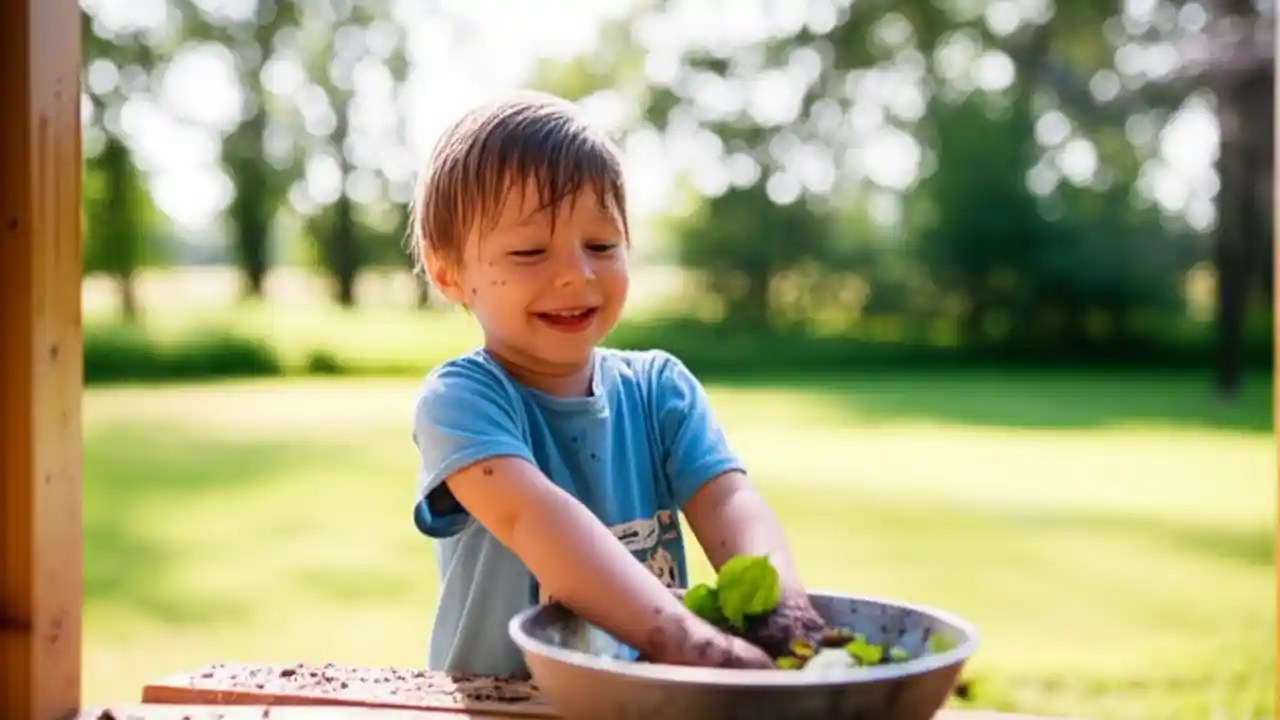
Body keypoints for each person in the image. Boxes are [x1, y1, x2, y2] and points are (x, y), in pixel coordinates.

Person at [407, 90, 822, 678]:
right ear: (449, 271)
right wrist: (688, 642)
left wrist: (783, 610)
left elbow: (729, 501)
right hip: (509, 705)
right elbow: (534, 516)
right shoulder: (462, 401)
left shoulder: (660, 390)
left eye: (601, 246)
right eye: (530, 251)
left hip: (648, 702)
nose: (577, 275)